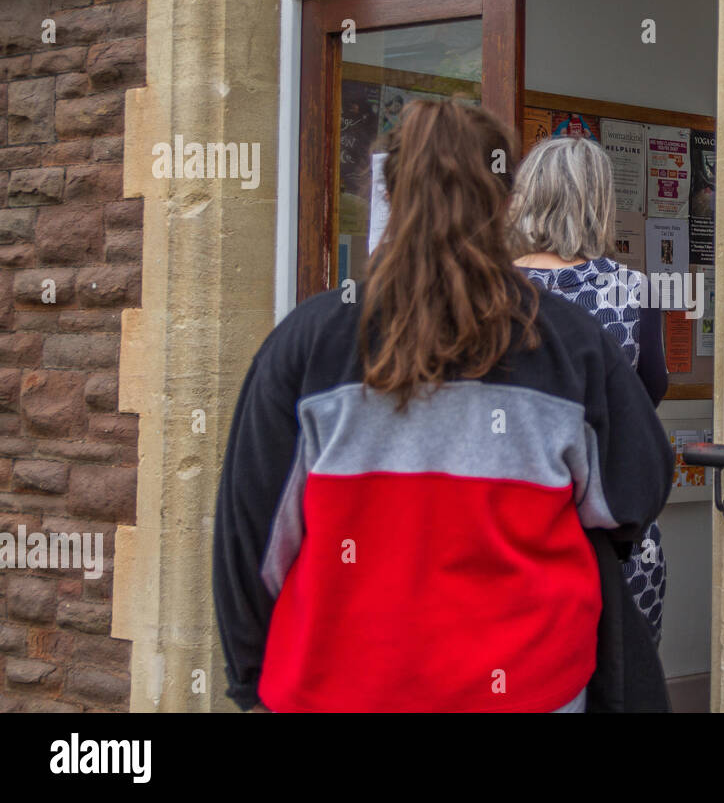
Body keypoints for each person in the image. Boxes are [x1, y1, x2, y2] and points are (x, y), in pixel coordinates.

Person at [213, 99, 674, 713]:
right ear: (503, 198)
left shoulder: (307, 344)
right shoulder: (569, 345)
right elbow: (633, 496)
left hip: (340, 690)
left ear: (390, 193)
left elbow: (252, 545)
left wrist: (251, 685)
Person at [510, 136, 671, 645]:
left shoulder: (481, 290)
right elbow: (649, 394)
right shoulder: (634, 290)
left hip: (503, 525)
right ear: (601, 203)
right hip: (608, 528)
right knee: (619, 681)